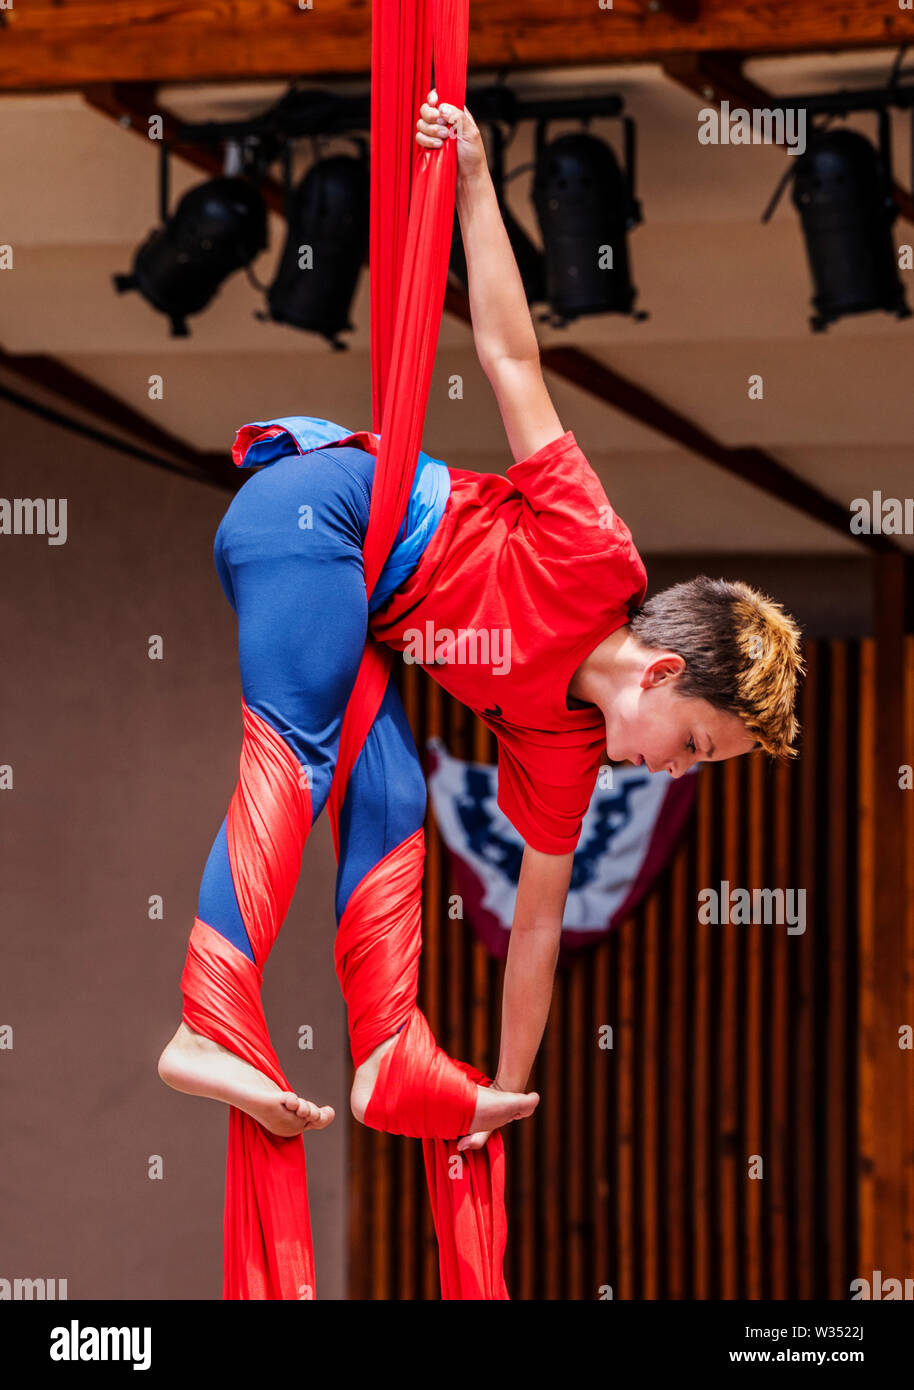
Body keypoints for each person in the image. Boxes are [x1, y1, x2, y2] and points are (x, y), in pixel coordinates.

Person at [158, 90, 804, 1154]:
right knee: (297, 755)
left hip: (350, 603)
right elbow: (512, 361)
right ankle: (202, 1017)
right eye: (695, 745)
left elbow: (537, 924)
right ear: (664, 672)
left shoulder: (565, 752)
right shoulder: (597, 555)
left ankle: (388, 1055)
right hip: (315, 515)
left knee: (396, 791)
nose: (678, 771)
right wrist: (469, 184)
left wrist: (501, 1092)